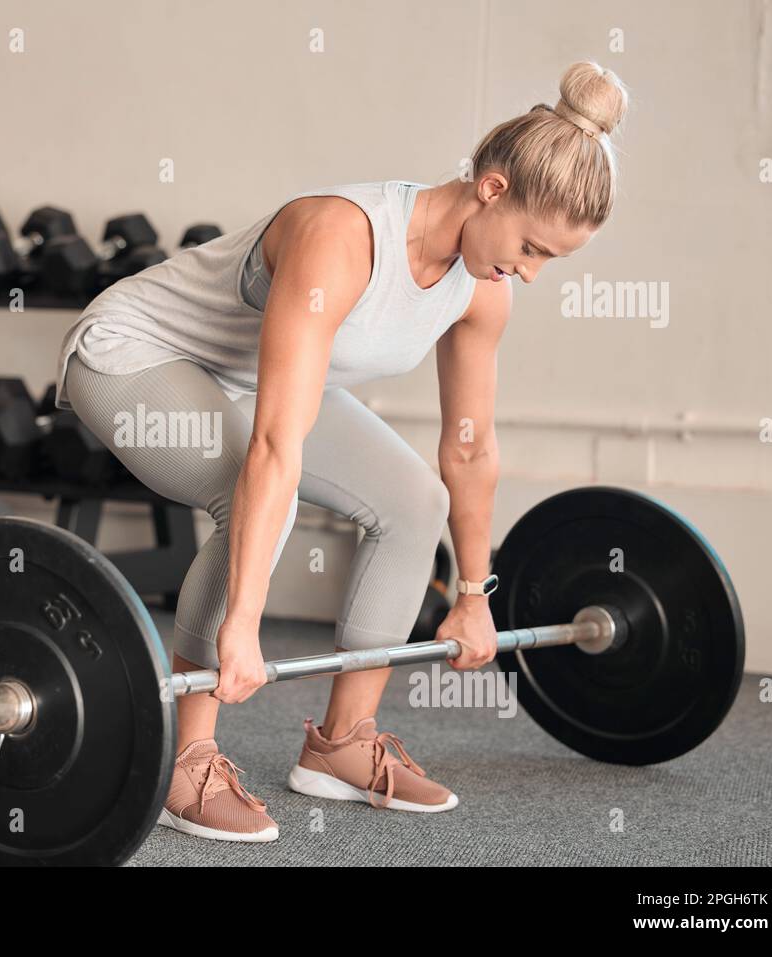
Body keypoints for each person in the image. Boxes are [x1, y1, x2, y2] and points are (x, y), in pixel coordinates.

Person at [53, 61, 629, 843]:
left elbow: (470, 448)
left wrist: (471, 591)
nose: (529, 271)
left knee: (413, 497)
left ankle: (343, 745)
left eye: (548, 261)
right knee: (253, 491)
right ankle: (186, 758)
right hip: (138, 356)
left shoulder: (483, 287)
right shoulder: (343, 236)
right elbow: (273, 446)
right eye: (531, 246)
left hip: (252, 383)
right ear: (492, 188)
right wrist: (244, 622)